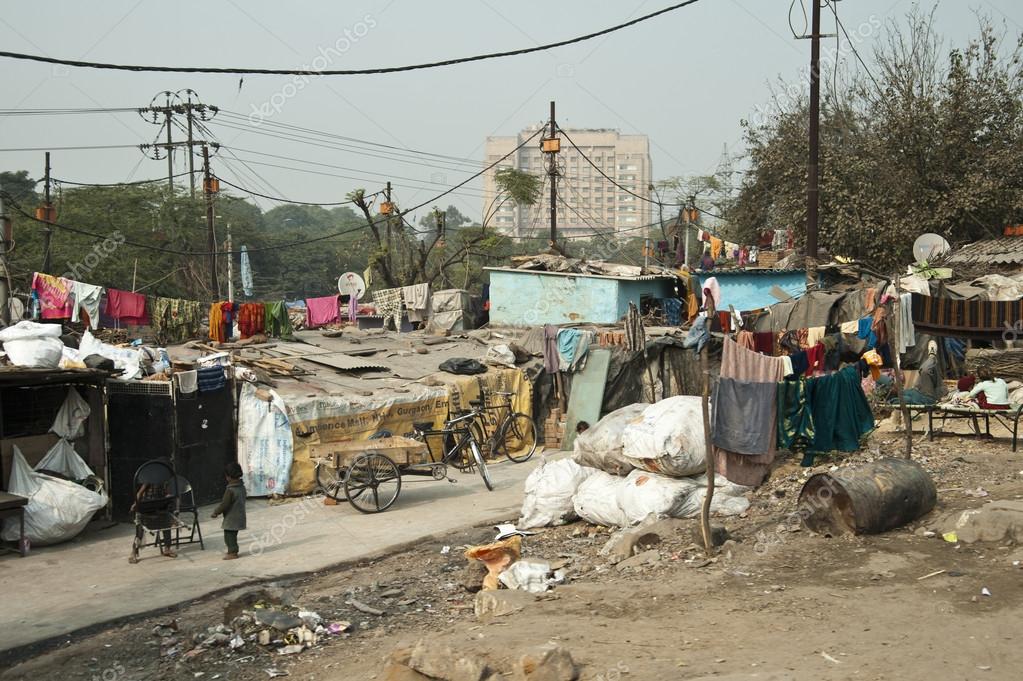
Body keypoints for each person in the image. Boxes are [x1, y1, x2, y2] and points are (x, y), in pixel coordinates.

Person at [211, 462, 247, 560]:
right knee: (233, 534)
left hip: (232, 517)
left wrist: (216, 512)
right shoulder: (242, 487)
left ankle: (233, 552)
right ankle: (232, 550)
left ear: (228, 477)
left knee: (229, 536)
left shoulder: (230, 490)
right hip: (240, 516)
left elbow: (224, 504)